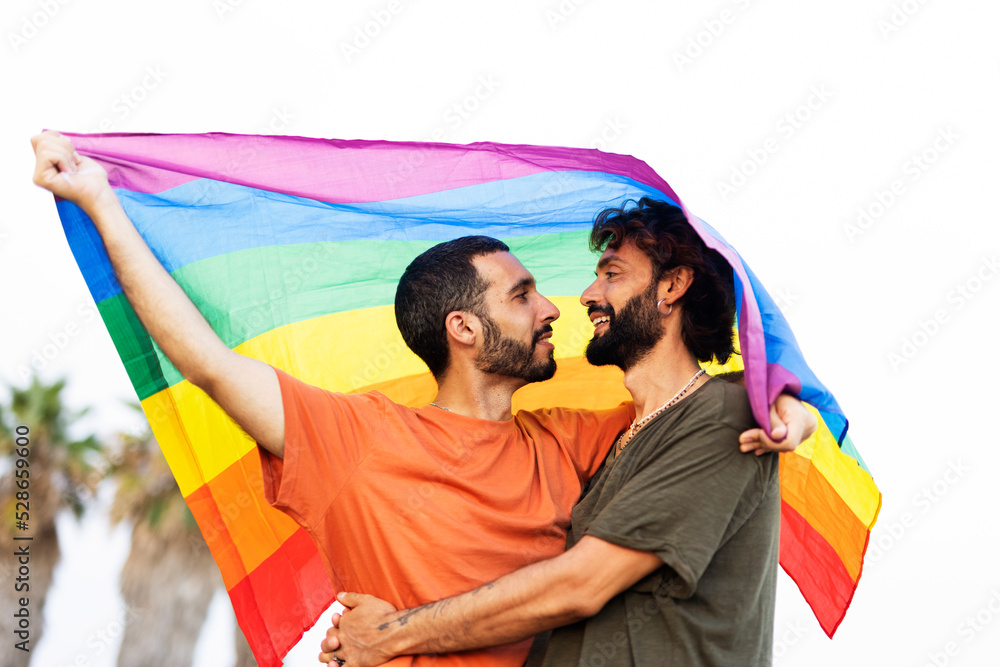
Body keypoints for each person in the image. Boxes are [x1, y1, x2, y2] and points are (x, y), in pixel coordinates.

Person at [32, 132, 810, 667]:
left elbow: (694, 406)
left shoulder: (582, 441)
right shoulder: (354, 437)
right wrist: (101, 201)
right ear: (464, 327)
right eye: (524, 293)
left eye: (596, 276)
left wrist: (793, 402)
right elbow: (203, 360)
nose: (557, 308)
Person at [320, 198, 784, 666]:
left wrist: (391, 635)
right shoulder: (619, 444)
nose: (586, 295)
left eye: (612, 274)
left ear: (672, 285)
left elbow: (579, 585)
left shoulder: (726, 416)